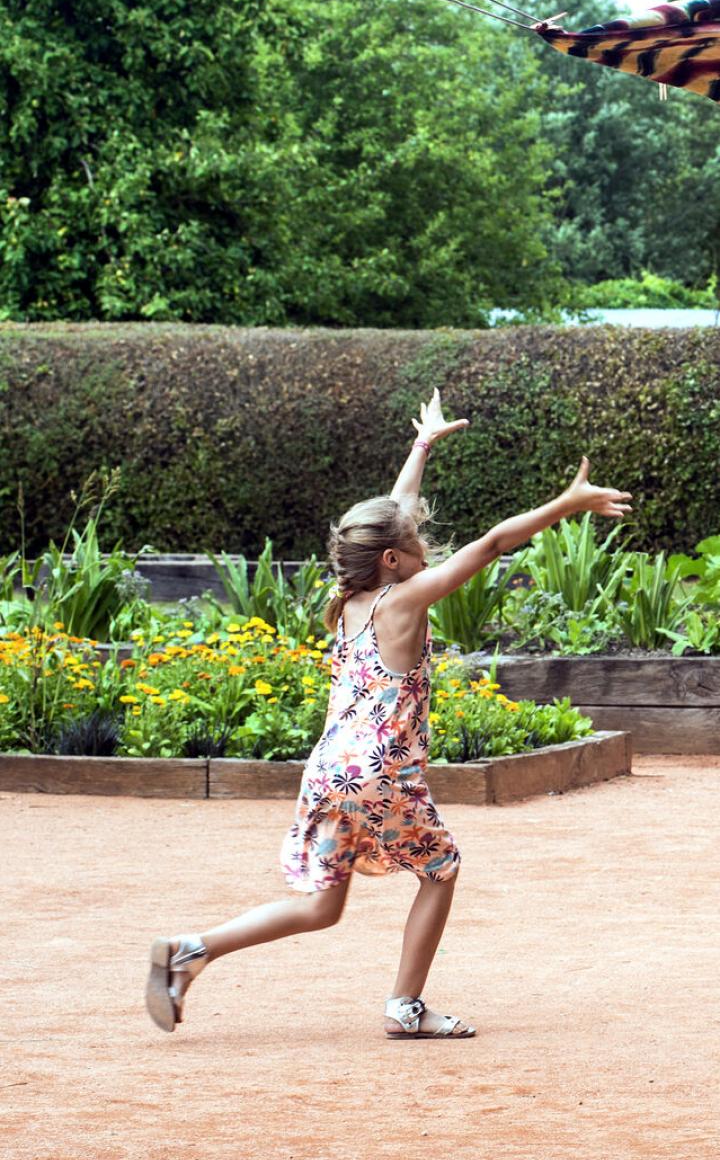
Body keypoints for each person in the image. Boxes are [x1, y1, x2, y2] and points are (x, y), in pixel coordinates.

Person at [144, 390, 631, 1039]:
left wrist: (422, 445)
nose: (424, 540)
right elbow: (488, 546)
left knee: (321, 907)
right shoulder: (403, 601)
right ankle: (406, 1006)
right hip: (378, 771)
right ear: (393, 562)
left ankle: (189, 950)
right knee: (442, 868)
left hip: (330, 770)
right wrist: (565, 505)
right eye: (416, 539)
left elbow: (391, 514)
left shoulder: (352, 600)